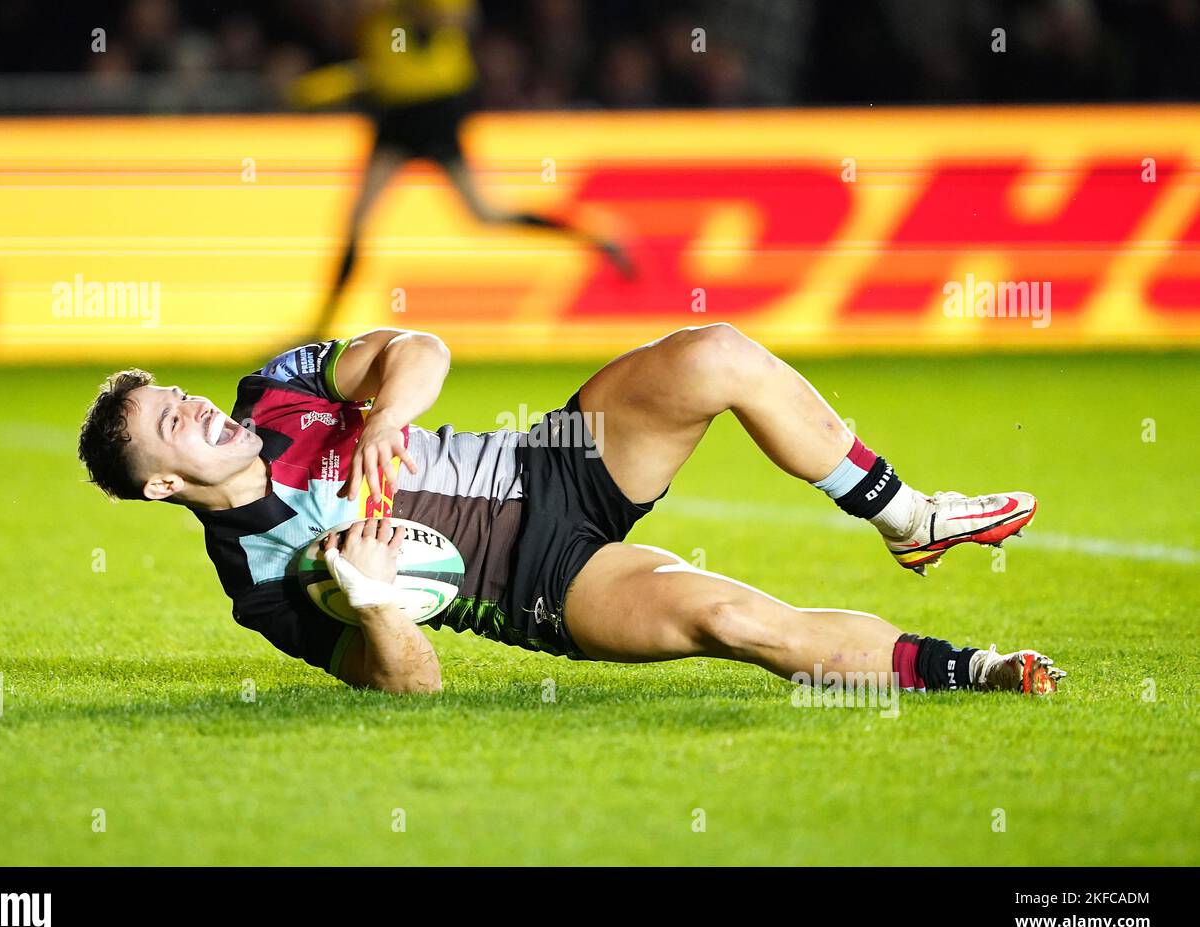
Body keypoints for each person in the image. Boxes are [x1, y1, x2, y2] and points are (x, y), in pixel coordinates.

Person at [77, 324, 1064, 696]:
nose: (194, 403)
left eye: (178, 390)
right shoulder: (257, 579)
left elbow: (415, 347)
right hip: (540, 583)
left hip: (550, 462)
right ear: (162, 484)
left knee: (714, 353)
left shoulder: (280, 388)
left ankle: (907, 518)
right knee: (736, 622)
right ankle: (968, 667)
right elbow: (408, 690)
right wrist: (377, 602)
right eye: (169, 418)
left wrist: (389, 415)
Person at [289, 0, 631, 335]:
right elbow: (375, 61)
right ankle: (321, 327)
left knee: (486, 214)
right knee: (358, 223)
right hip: (396, 116)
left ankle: (594, 233)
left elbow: (451, 20)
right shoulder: (376, 21)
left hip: (436, 111)